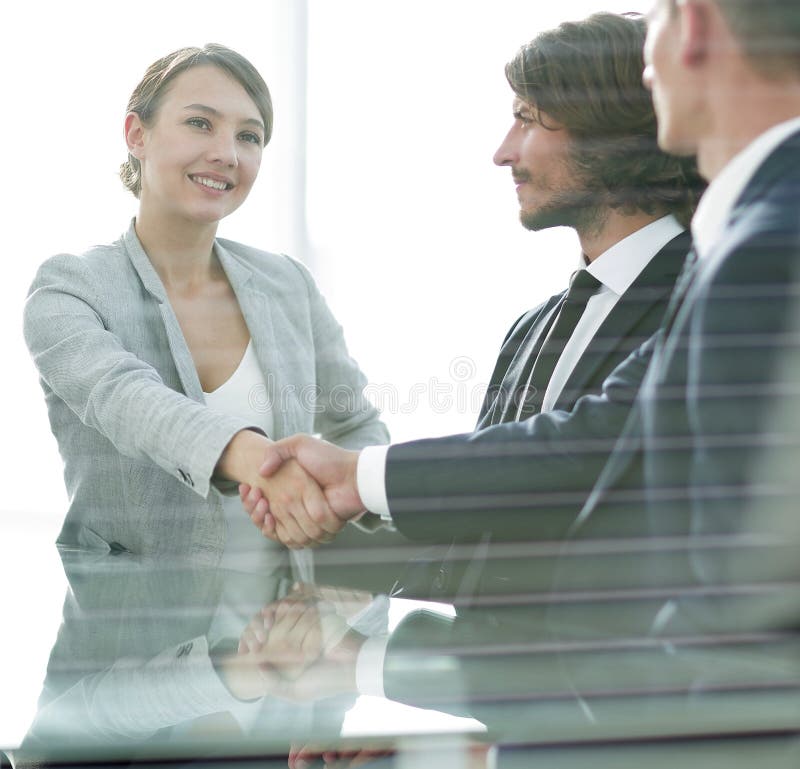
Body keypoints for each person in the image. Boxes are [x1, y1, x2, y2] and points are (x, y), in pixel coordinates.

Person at [240, 13, 702, 554]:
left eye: (527, 119)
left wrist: (356, 478)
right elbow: (488, 515)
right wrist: (317, 523)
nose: (503, 152)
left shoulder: (703, 295)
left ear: (610, 133)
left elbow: (575, 461)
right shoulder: (534, 326)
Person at [23, 44, 388, 575]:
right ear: (136, 134)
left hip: (282, 636)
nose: (227, 153)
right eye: (200, 123)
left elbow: (355, 424)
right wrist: (261, 463)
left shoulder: (287, 284)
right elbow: (128, 400)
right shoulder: (70, 288)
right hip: (132, 635)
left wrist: (340, 518)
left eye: (249, 136)